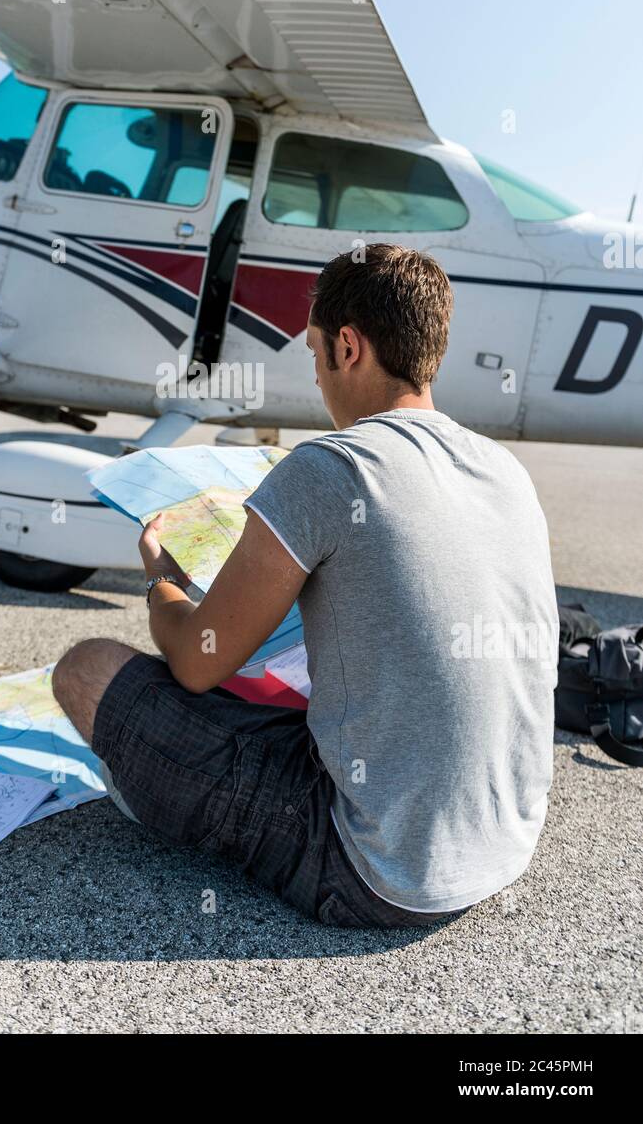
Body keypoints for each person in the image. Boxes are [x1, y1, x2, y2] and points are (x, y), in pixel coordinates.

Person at [52, 243, 559, 928]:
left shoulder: (328, 467)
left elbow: (199, 661)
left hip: (371, 871)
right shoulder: (502, 470)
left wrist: (160, 581)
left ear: (347, 347)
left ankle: (144, 785)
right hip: (500, 846)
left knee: (86, 670)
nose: (317, 377)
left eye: (314, 351)